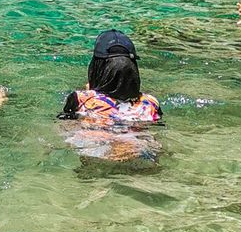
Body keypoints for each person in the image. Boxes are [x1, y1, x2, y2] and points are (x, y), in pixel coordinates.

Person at [57, 30, 162, 162]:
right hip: (139, 151)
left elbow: (64, 126)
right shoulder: (151, 103)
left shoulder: (80, 98)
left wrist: (91, 95)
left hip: (96, 149)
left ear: (96, 68)